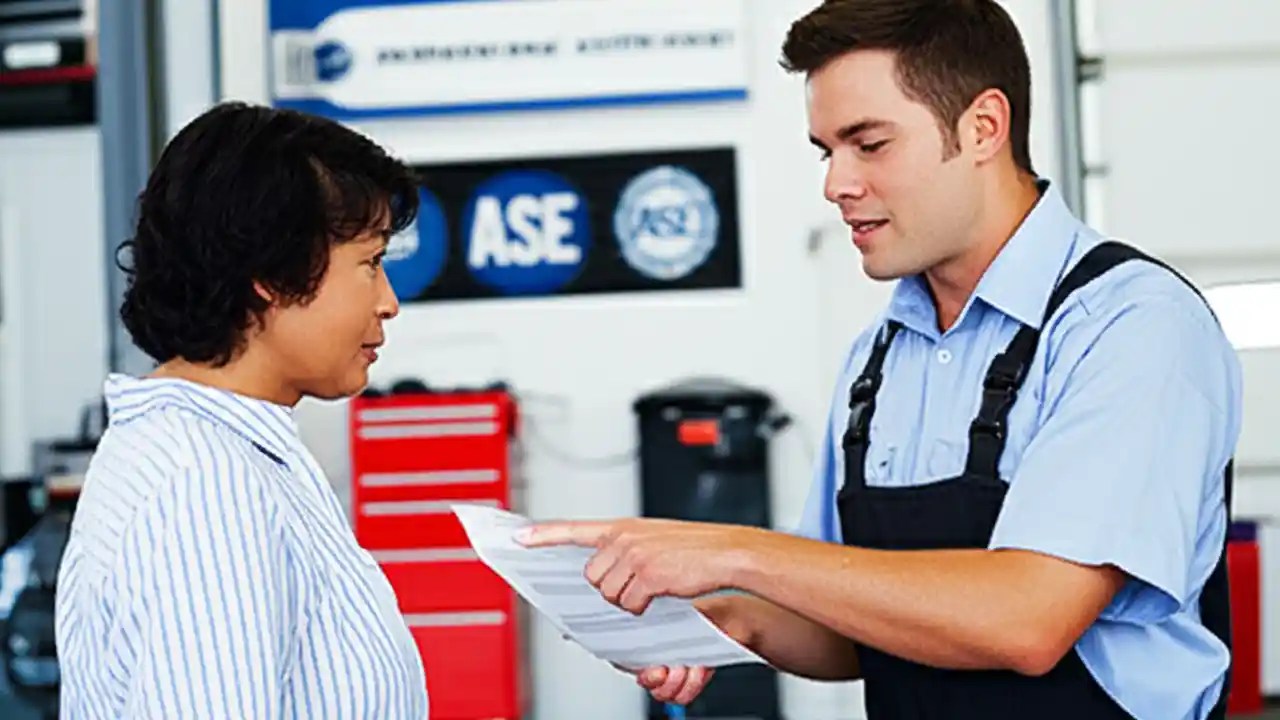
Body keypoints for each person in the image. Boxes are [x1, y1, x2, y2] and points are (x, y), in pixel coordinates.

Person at [519, 1, 1242, 719]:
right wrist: (727, 622)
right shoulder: (879, 357)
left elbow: (1029, 620)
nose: (836, 184)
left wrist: (732, 552)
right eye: (826, 151)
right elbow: (851, 622)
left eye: (869, 144)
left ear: (983, 127)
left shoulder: (1131, 326)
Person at [54, 102, 430, 718]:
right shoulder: (203, 484)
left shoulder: (236, 452)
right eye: (371, 263)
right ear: (274, 276)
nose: (388, 302)